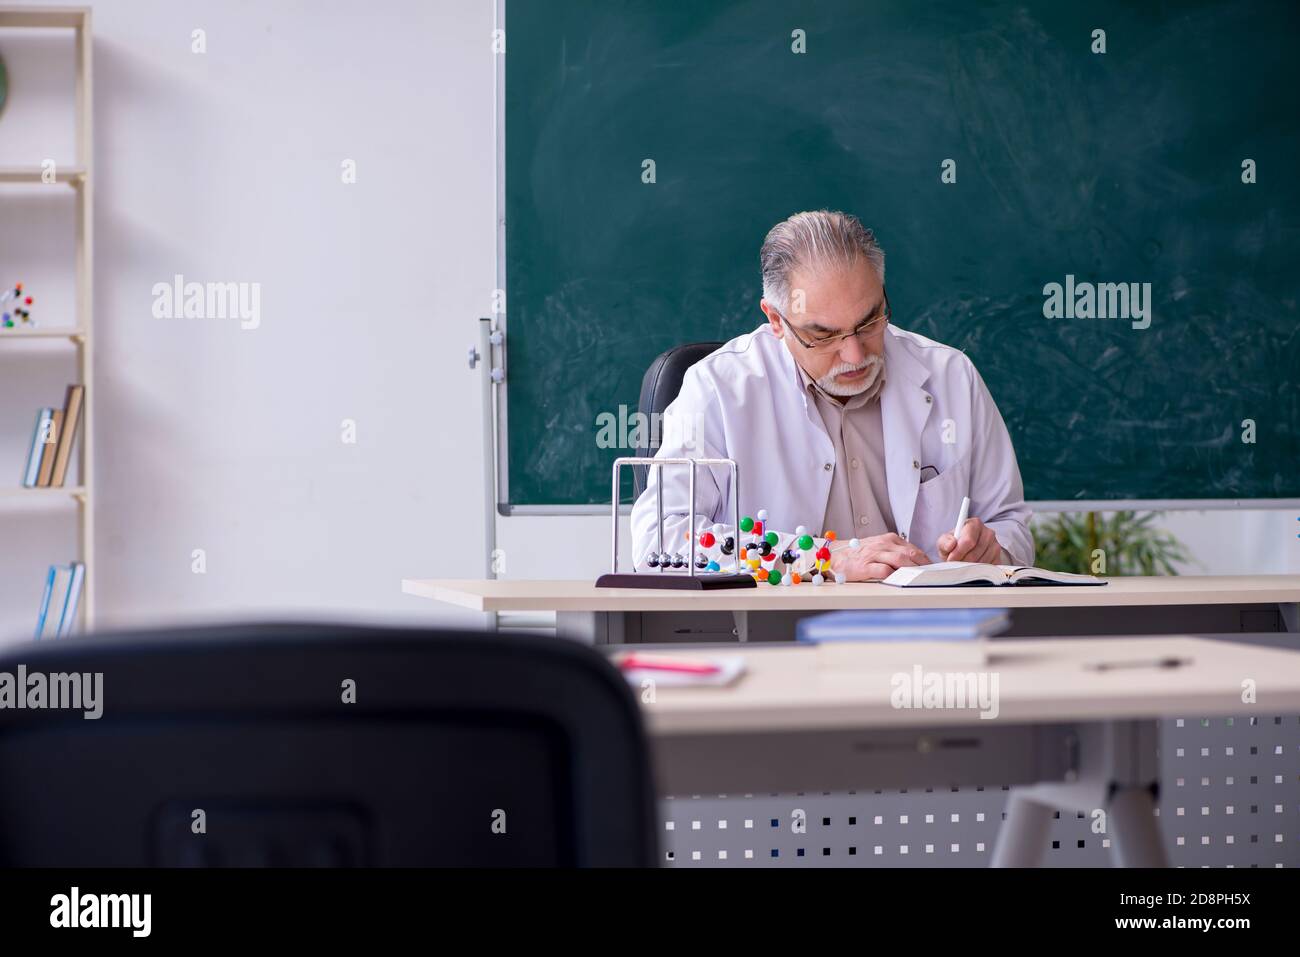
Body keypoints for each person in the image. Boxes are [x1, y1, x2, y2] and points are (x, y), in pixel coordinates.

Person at [630, 210, 1033, 580]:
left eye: (870, 321)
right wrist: (821, 559)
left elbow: (1011, 525)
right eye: (823, 336)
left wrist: (992, 547)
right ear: (775, 320)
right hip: (777, 639)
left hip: (929, 634)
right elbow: (659, 540)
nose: (855, 355)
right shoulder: (718, 389)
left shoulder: (951, 377)